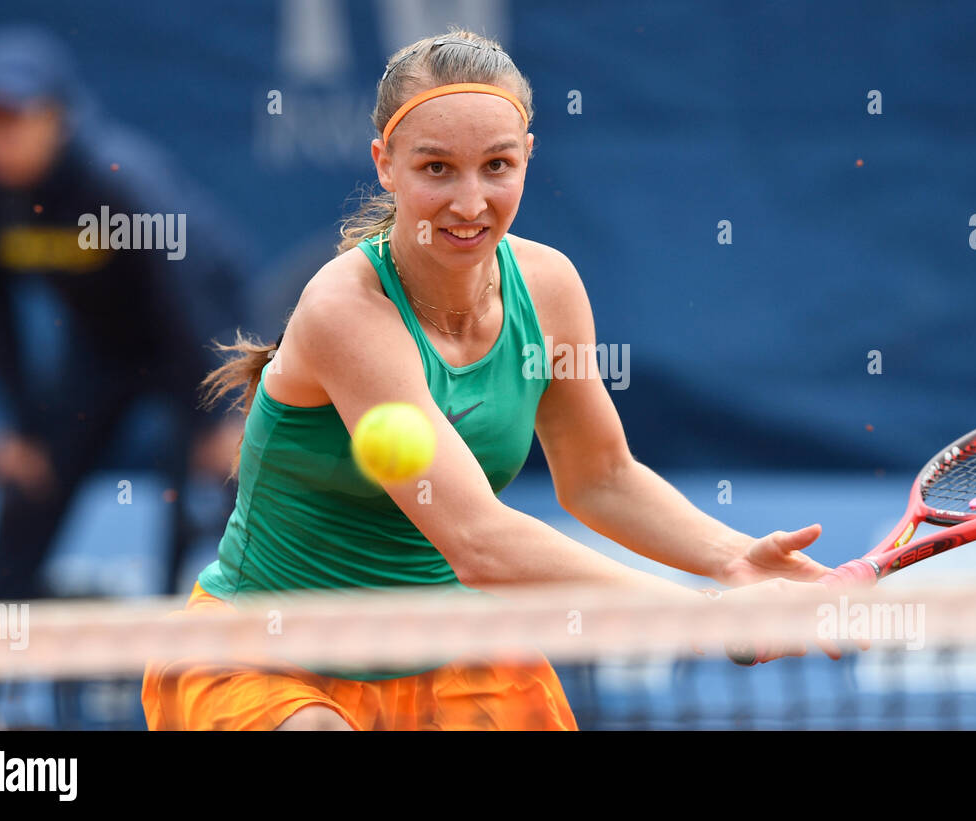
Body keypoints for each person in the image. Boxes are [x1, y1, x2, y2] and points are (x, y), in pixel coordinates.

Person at [141, 28, 837, 732]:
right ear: (384, 164)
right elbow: (476, 541)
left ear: (527, 157)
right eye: (436, 168)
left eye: (496, 166)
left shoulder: (550, 287)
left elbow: (601, 476)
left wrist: (730, 559)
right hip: (267, 658)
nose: (471, 203)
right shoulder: (343, 312)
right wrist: (701, 618)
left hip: (452, 656)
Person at [0, 26, 247, 606]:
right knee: (30, 472)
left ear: (57, 118)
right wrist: (22, 425)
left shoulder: (119, 181)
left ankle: (267, 643)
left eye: (13, 119)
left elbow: (179, 299)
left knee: (233, 472)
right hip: (101, 344)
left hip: (200, 332)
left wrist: (220, 417)